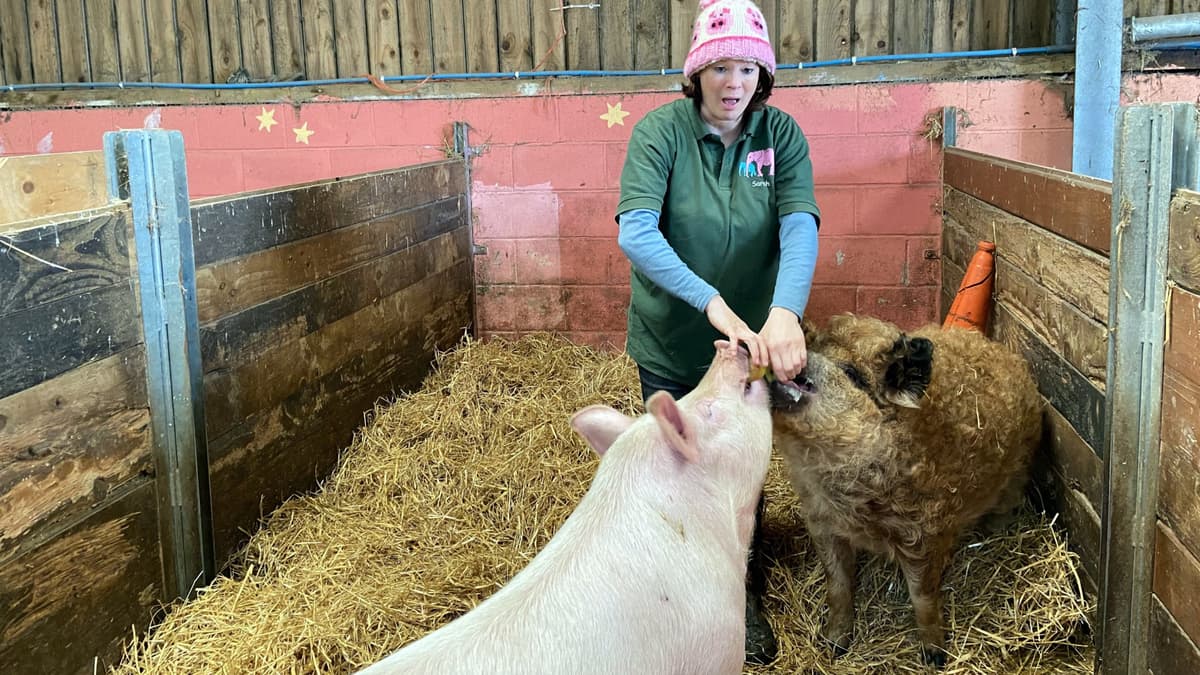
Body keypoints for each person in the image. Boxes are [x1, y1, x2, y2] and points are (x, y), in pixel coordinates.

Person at [614, 0, 821, 665]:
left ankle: (738, 594)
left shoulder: (779, 135)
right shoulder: (660, 134)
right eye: (720, 67)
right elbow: (636, 230)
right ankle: (672, 586)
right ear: (696, 74)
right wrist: (710, 302)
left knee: (737, 464)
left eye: (747, 68)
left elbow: (798, 223)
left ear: (762, 75)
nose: (734, 83)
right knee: (677, 462)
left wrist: (785, 311)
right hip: (674, 336)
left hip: (749, 346)